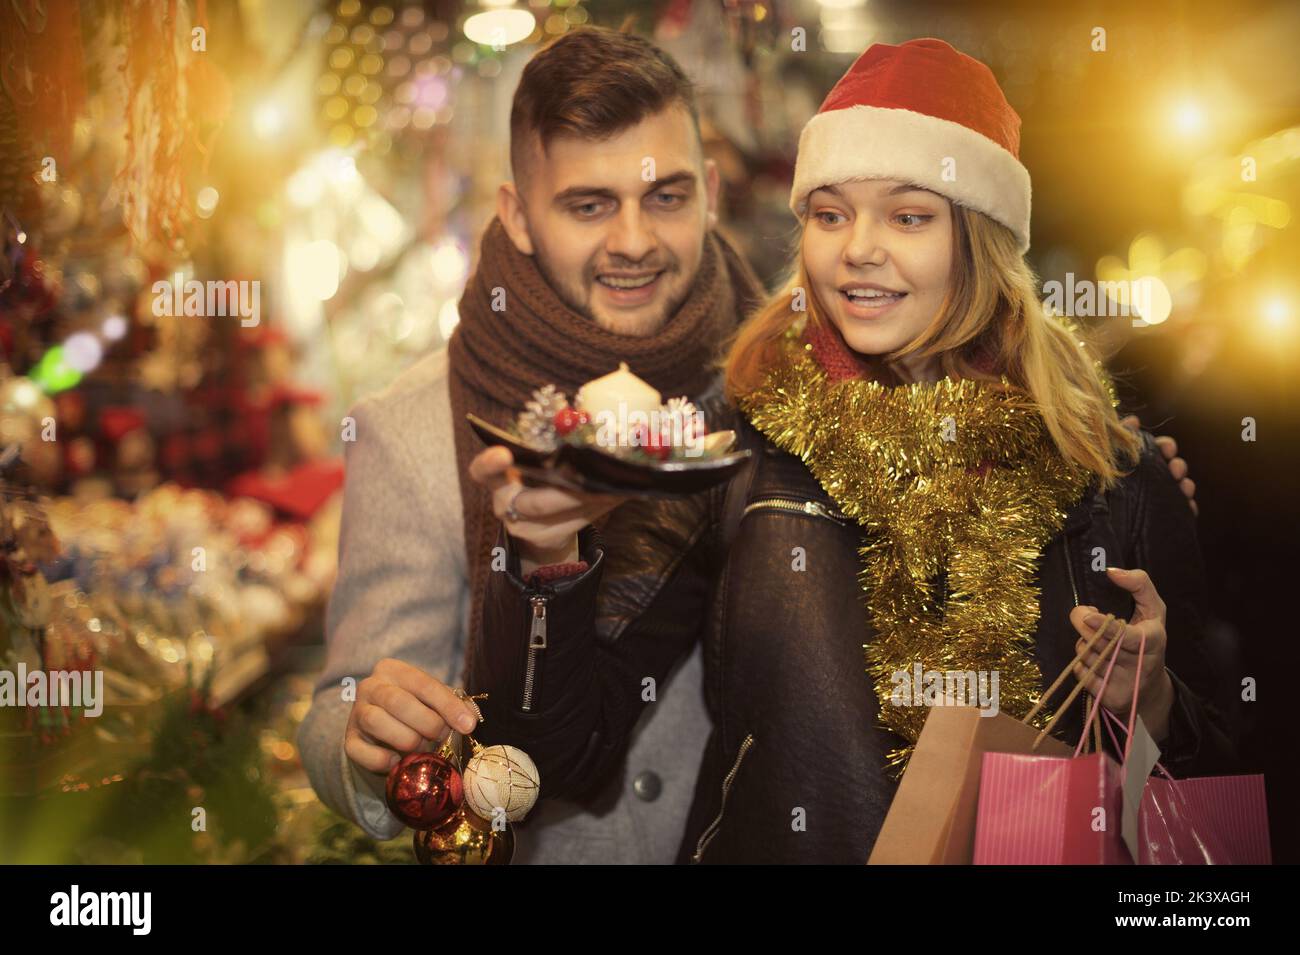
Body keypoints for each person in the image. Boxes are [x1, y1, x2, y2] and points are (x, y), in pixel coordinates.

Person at [465, 38, 1232, 864]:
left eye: (908, 216)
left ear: (981, 238)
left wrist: (1155, 702)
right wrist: (548, 552)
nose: (859, 247)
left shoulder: (1115, 473)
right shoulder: (734, 446)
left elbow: (1223, 780)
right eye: (831, 214)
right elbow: (560, 750)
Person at [297, 26, 767, 863]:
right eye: (589, 205)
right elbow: (342, 702)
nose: (634, 240)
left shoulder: (775, 375)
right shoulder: (414, 426)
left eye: (666, 196)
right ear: (516, 216)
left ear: (710, 191)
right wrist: (366, 738)